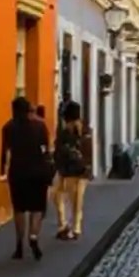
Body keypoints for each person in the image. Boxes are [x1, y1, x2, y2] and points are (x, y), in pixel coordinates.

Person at [0, 97, 52, 260]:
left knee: (19, 209)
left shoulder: (8, 127)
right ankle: (34, 236)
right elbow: (46, 150)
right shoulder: (40, 126)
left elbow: (5, 151)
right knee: (37, 208)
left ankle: (19, 245)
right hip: (37, 171)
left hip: (18, 172)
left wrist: (2, 170)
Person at [53, 101, 91, 241]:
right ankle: (64, 225)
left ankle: (74, 228)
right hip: (66, 170)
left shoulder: (83, 132)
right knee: (56, 195)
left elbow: (87, 152)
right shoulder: (65, 132)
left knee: (76, 199)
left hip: (78, 171)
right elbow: (58, 149)